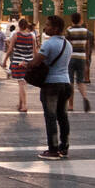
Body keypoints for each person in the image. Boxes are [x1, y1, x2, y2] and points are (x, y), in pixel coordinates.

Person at [29, 14, 73, 159]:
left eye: (47, 25)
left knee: (51, 117)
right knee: (63, 117)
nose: (45, 27)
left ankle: (53, 149)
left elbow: (36, 62)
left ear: (55, 29)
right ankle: (64, 147)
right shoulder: (68, 44)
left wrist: (26, 65)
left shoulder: (49, 43)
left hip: (51, 85)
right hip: (66, 83)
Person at [3, 18, 36, 112]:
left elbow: (10, 49)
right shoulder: (32, 36)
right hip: (28, 63)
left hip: (18, 62)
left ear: (19, 26)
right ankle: (20, 104)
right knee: (22, 83)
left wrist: (5, 60)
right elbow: (35, 51)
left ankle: (24, 105)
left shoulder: (16, 35)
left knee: (22, 84)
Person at [66, 11, 92, 112]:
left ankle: (71, 105)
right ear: (80, 20)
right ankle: (84, 97)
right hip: (82, 57)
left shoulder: (69, 31)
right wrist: (87, 59)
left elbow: (66, 44)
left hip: (71, 57)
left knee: (70, 82)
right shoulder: (86, 31)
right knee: (81, 81)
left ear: (72, 20)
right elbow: (88, 46)